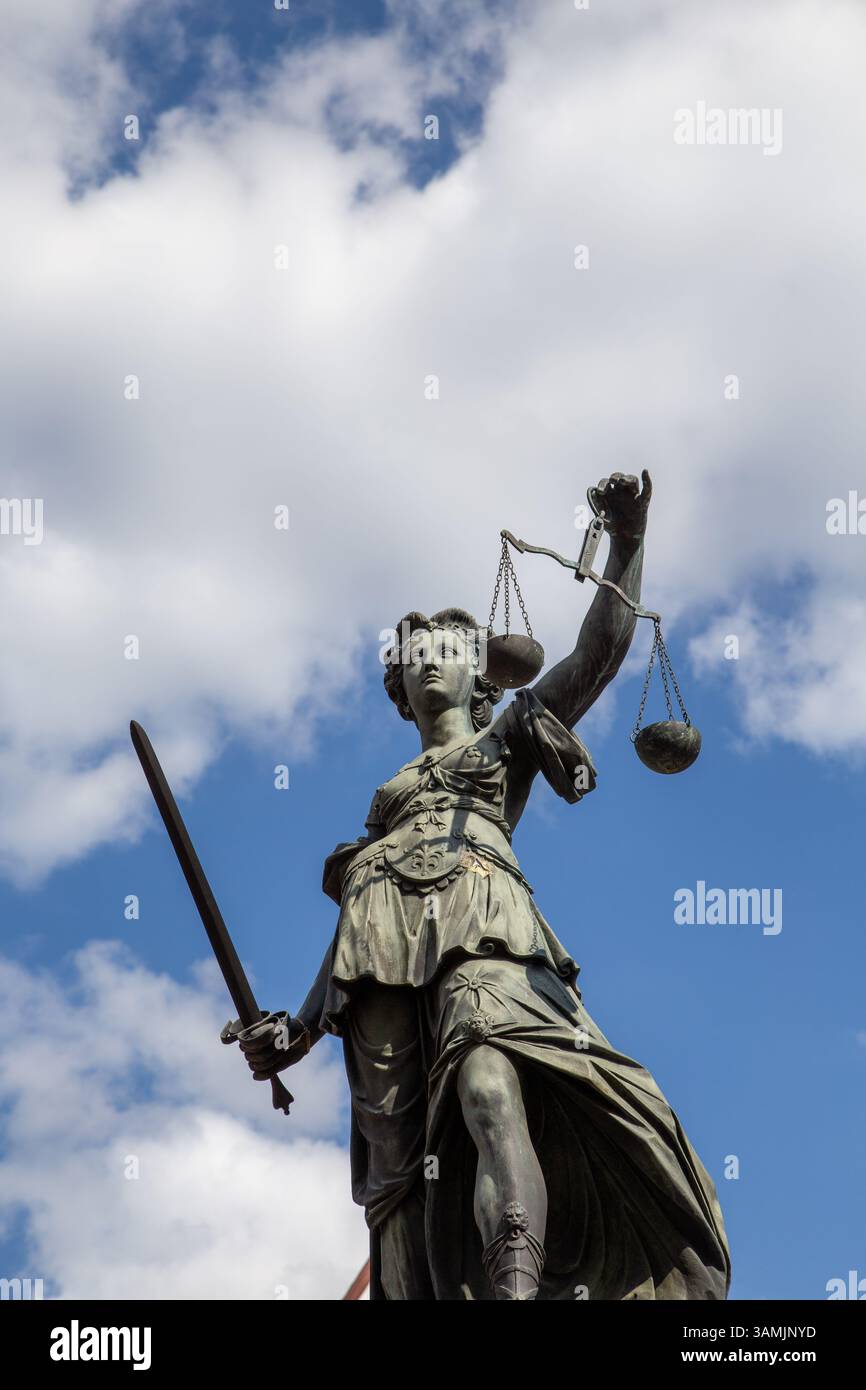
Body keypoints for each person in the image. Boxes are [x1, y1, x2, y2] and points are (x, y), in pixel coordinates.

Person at [232, 472, 731, 1301]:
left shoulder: (505, 743)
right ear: (400, 691)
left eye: (448, 653)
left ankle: (516, 1286)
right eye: (415, 658)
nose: (430, 664)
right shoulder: (382, 818)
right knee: (395, 1180)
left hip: (485, 931)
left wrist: (628, 541)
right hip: (378, 969)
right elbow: (358, 930)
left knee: (491, 1083)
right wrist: (300, 1028)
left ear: (479, 677)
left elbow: (598, 654)